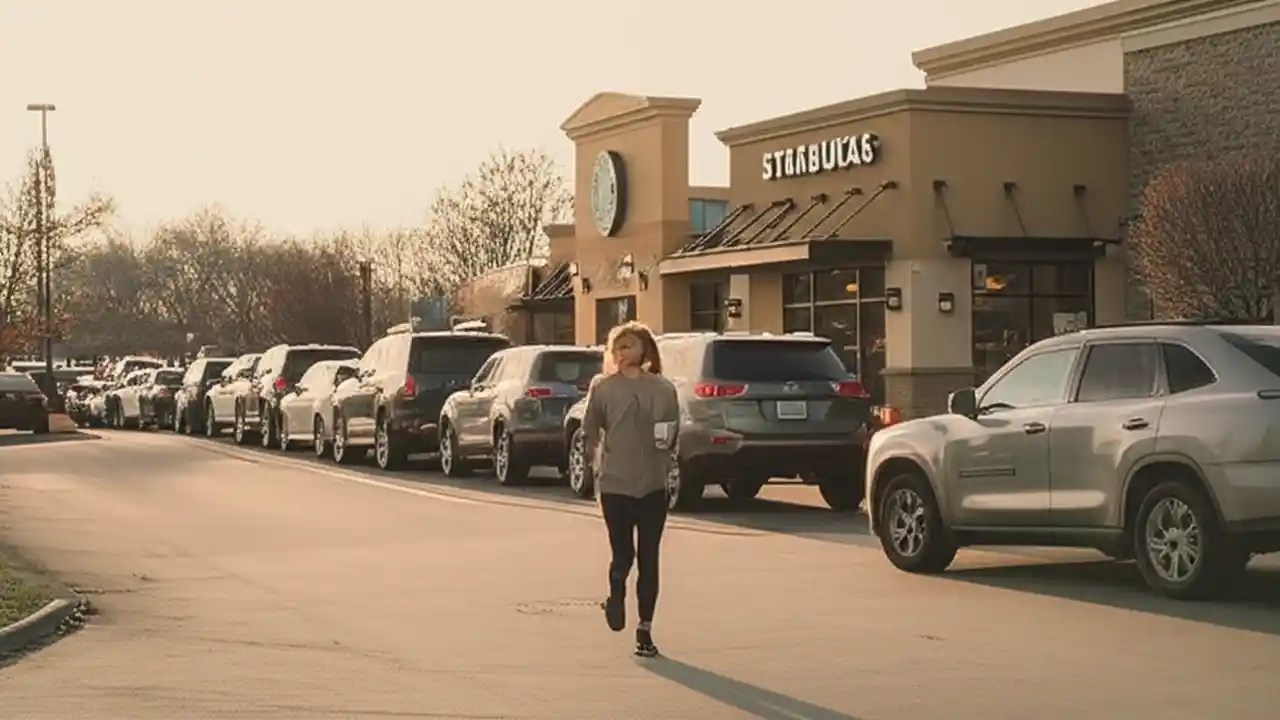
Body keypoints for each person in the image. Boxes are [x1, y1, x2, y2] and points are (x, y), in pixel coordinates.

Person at [583, 321, 678, 658]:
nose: (623, 353)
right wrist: (592, 462)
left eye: (629, 346)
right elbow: (590, 429)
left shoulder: (663, 388)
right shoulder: (603, 388)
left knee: (649, 559)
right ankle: (616, 592)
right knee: (624, 554)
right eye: (618, 347)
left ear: (645, 349)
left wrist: (664, 447)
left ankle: (645, 630)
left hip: (652, 485)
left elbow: (669, 434)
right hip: (615, 485)